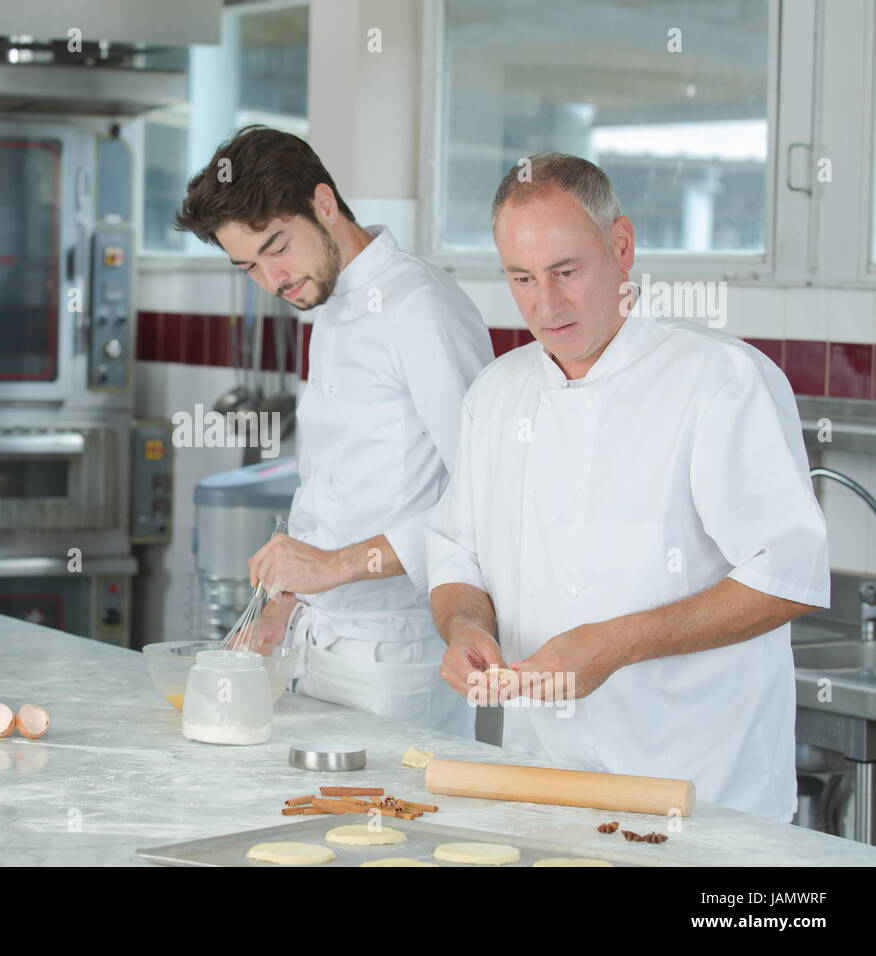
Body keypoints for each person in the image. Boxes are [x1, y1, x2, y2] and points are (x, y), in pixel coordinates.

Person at [425, 152, 829, 819]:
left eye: (565, 271)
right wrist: (465, 627)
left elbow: (788, 573)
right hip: (544, 782)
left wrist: (617, 644)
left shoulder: (718, 381)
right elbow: (455, 554)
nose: (544, 304)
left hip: (700, 790)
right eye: (521, 277)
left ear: (621, 247)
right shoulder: (496, 394)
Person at [175, 126, 493, 735]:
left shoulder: (418, 307)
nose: (272, 280)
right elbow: (335, 486)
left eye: (277, 247)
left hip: (395, 657)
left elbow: (484, 498)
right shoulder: (329, 302)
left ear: (323, 202)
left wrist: (335, 566)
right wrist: (283, 603)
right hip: (317, 645)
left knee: (391, 828)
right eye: (250, 266)